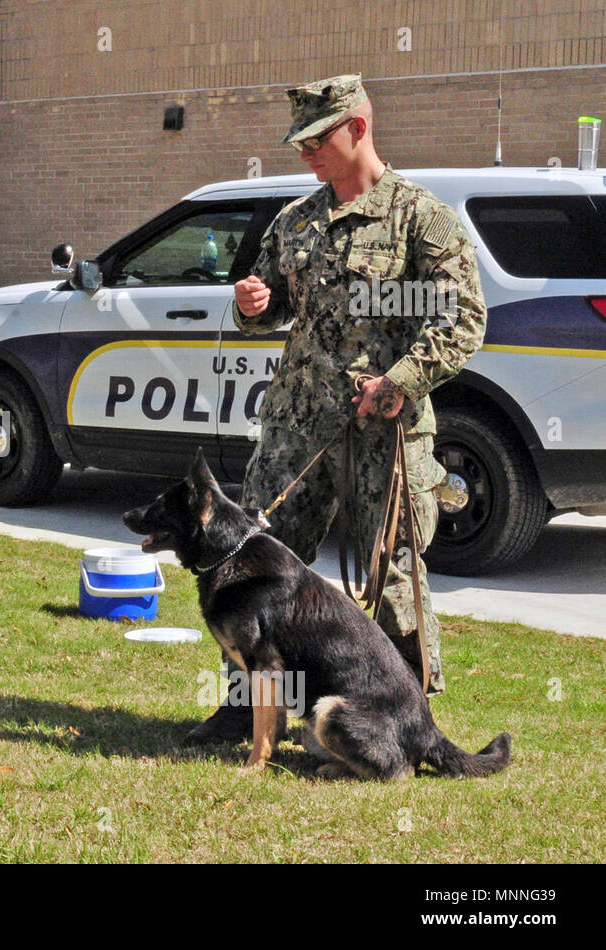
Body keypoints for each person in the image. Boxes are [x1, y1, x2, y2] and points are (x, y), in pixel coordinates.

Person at [187, 74, 487, 744]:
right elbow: (270, 313)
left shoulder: (420, 218)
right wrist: (251, 308)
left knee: (395, 572)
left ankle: (406, 722)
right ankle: (247, 706)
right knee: (254, 564)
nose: (306, 155)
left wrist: (401, 380)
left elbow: (464, 319)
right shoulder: (297, 221)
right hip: (298, 430)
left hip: (384, 431)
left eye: (317, 140)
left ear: (359, 126)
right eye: (299, 144)